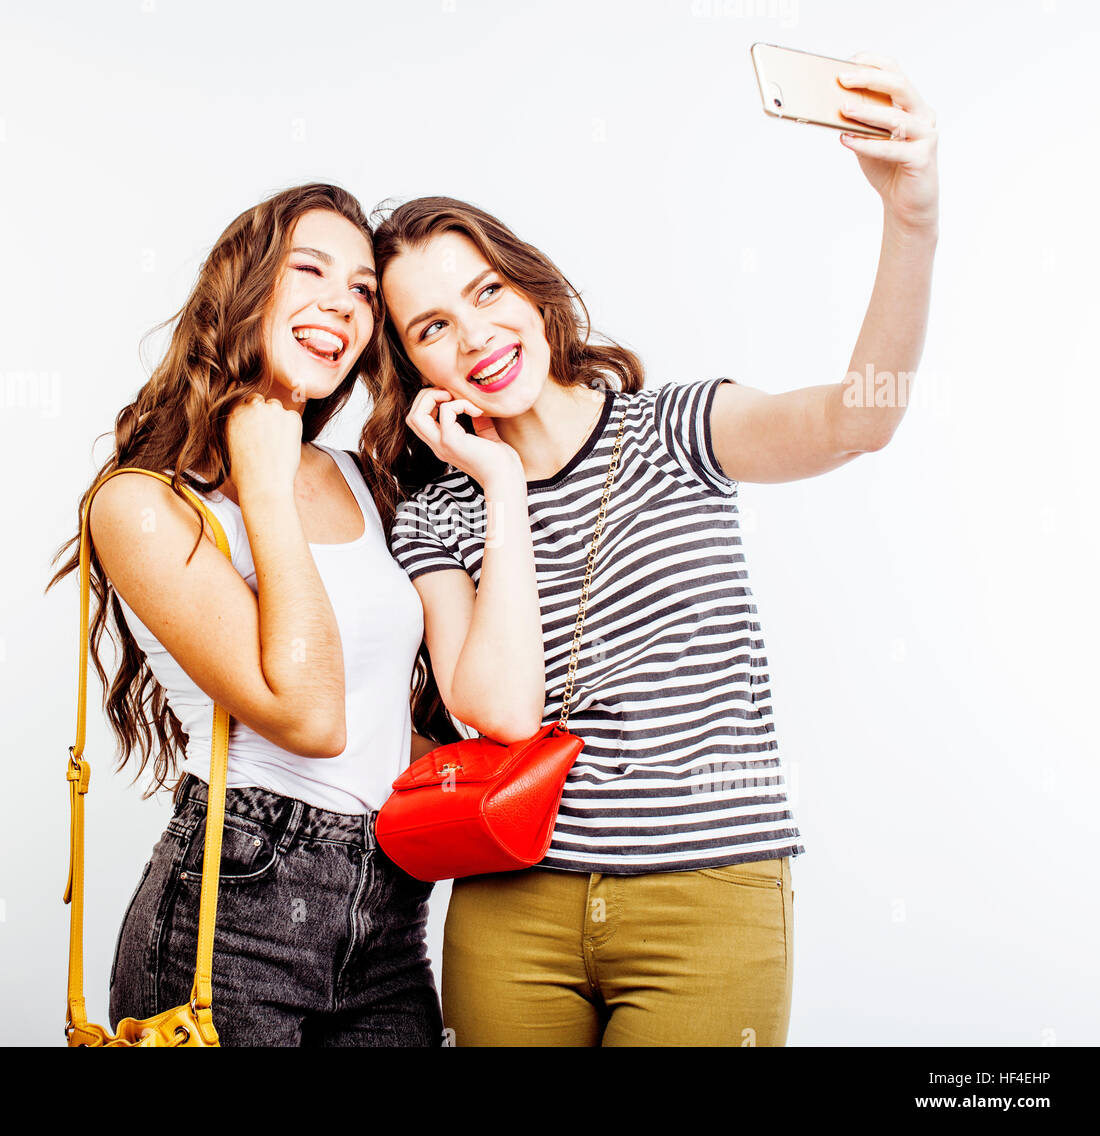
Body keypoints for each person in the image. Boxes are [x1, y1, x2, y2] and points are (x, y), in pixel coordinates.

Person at [361, 55, 938, 1045]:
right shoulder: (440, 514)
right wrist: (499, 486)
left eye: (487, 290)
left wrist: (912, 222)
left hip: (705, 893)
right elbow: (498, 710)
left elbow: (859, 422)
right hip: (512, 906)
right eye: (433, 326)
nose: (476, 334)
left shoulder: (679, 429)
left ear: (532, 290)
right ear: (412, 364)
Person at [46, 183, 448, 1047]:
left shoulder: (355, 478)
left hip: (390, 913)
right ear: (245, 289)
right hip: (234, 916)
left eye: (364, 290)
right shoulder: (144, 506)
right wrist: (264, 483)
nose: (341, 303)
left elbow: (375, 714)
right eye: (310, 269)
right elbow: (309, 715)